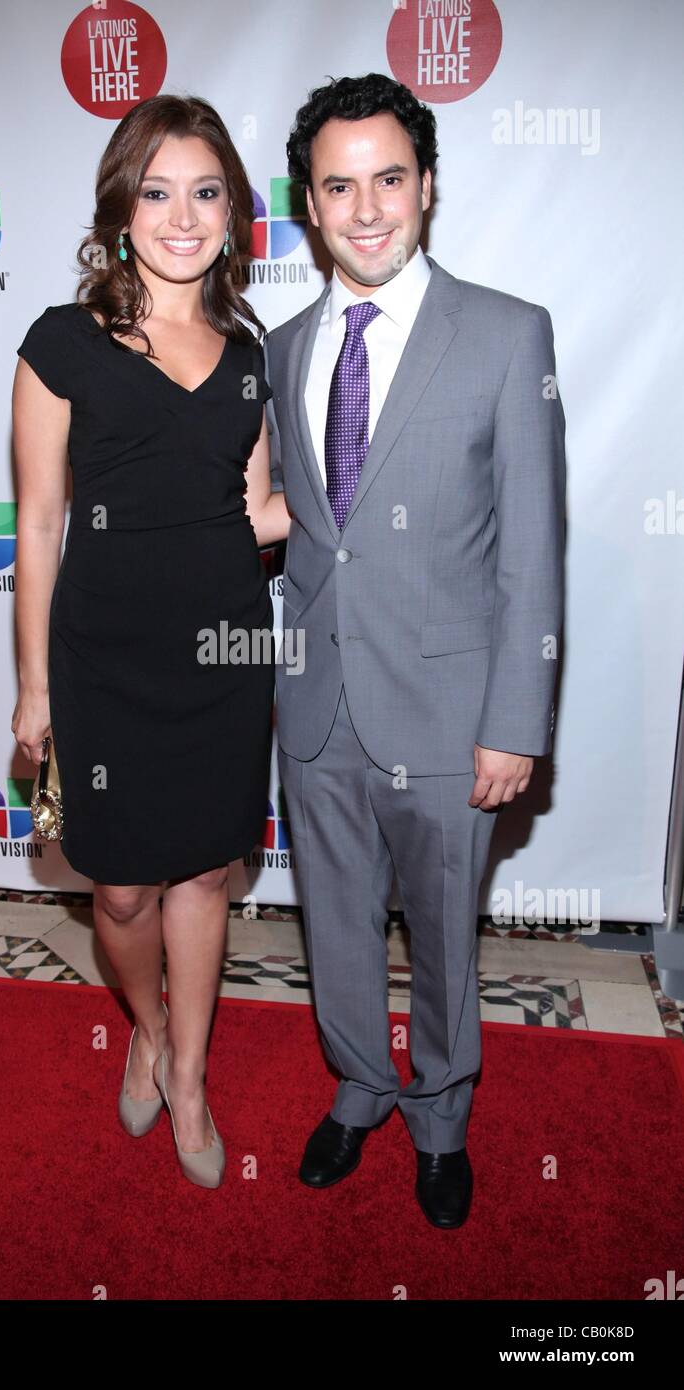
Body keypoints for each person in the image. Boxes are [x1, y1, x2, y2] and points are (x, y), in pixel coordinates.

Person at [263, 73, 565, 1226]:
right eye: (338, 187)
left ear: (426, 187)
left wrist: (513, 721)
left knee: (441, 936)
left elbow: (530, 548)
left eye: (387, 179)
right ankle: (358, 1086)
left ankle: (439, 1114)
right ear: (309, 203)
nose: (365, 209)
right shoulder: (282, 348)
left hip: (448, 714)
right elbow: (299, 521)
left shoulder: (504, 334)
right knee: (333, 925)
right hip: (317, 706)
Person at [11, 94, 290, 1190]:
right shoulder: (62, 342)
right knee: (121, 891)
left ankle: (189, 1073)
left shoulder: (249, 355)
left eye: (206, 192)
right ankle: (147, 1024)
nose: (183, 216)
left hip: (223, 655)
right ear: (122, 209)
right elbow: (39, 520)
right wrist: (33, 684)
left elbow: (255, 513)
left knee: (203, 878)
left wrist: (361, 485)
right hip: (103, 659)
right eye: (159, 191)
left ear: (233, 214)